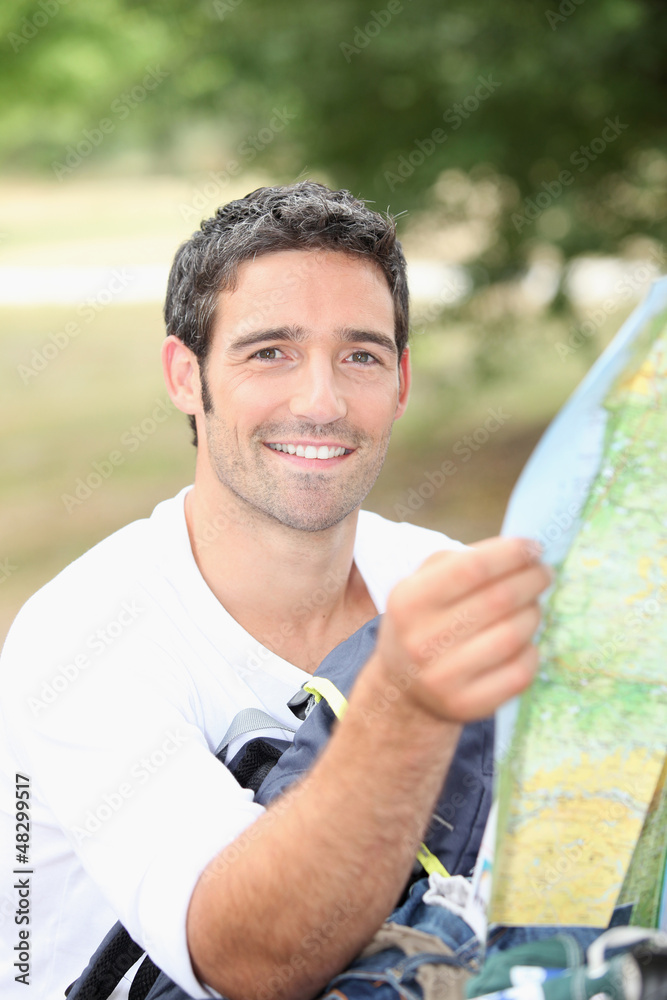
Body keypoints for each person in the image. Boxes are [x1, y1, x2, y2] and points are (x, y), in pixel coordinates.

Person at [0, 181, 550, 1000]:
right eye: (270, 352)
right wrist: (401, 700)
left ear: (400, 381)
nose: (321, 402)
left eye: (359, 356)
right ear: (186, 376)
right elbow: (253, 962)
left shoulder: (437, 581)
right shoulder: (83, 637)